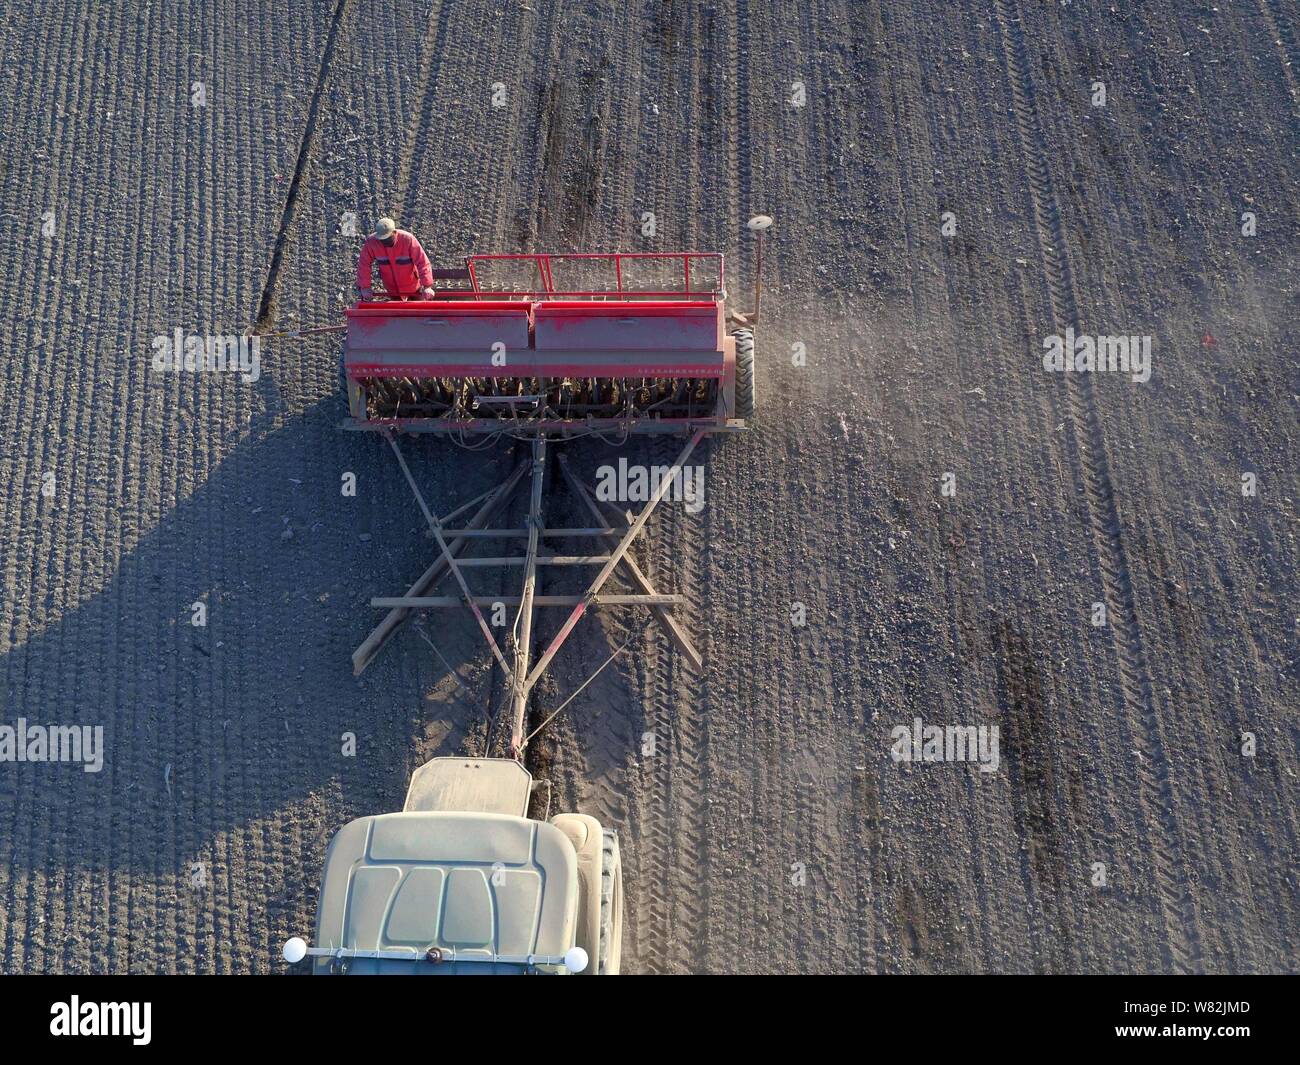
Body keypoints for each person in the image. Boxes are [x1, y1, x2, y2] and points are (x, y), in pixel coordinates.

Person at [356, 217, 435, 300]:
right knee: (397, 312)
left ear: (394, 232)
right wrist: (365, 287)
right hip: (392, 289)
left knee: (418, 310)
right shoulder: (372, 242)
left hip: (413, 286)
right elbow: (364, 265)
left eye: (388, 239)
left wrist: (427, 286)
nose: (385, 242)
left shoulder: (408, 239)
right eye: (382, 240)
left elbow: (422, 262)